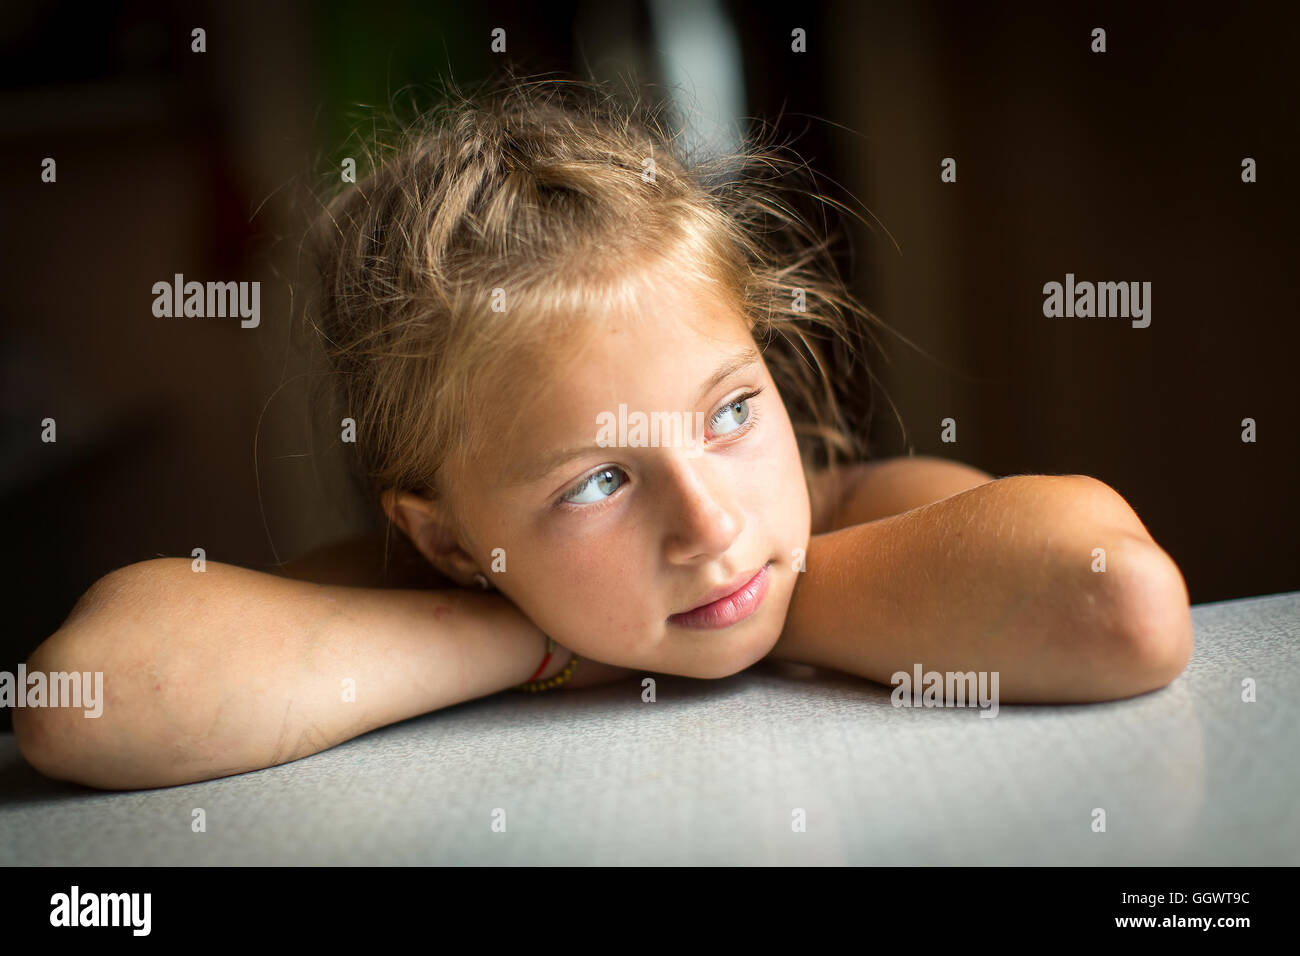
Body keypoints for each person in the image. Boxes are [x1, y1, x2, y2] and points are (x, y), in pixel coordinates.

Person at [13, 76, 1192, 791]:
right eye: (601, 480)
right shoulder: (452, 588)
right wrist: (542, 637)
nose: (714, 524)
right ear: (445, 540)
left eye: (732, 411)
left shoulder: (865, 505)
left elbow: (1119, 607)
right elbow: (83, 701)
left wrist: (618, 624)